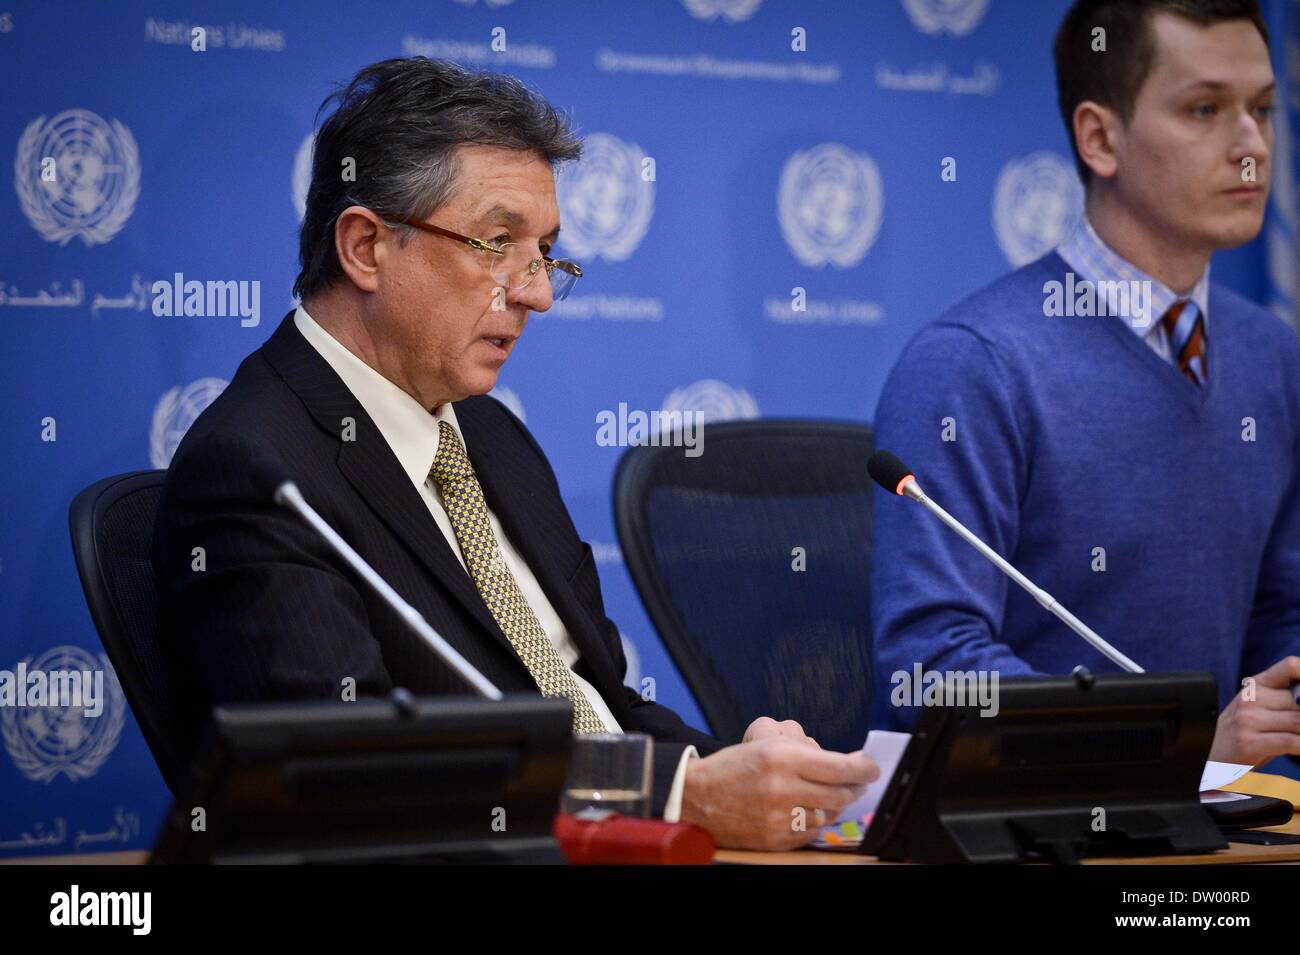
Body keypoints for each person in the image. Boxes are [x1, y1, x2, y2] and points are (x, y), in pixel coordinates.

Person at [153, 57, 877, 850]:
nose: (534, 292)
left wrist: (741, 770)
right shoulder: (258, 470)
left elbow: (600, 706)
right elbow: (352, 772)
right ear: (365, 247)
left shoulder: (493, 440)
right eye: (497, 243)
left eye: (545, 254)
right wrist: (679, 793)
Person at [871, 0, 1300, 775]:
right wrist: (1176, 746)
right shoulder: (974, 364)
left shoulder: (1275, 357)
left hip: (1222, 829)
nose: (1252, 148)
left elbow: (1282, 623)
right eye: (1206, 109)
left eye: (1263, 110)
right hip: (1029, 826)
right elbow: (932, 672)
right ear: (1100, 138)